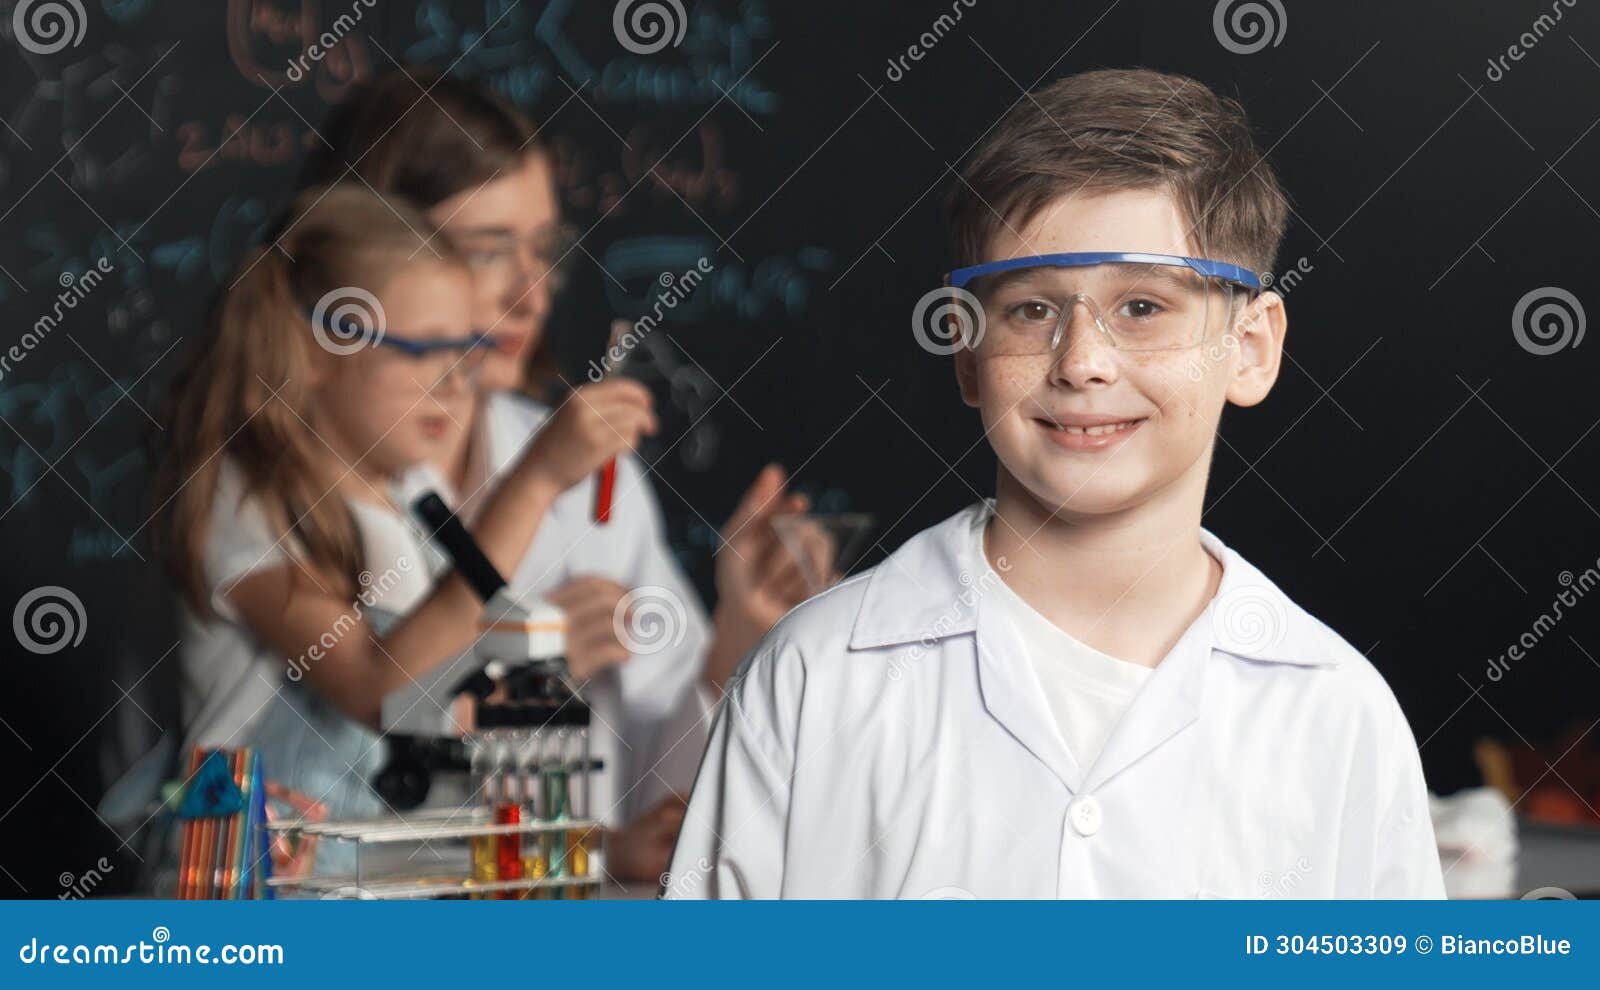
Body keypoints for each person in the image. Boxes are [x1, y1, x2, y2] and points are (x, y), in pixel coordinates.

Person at [663, 69, 1447, 898]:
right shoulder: (812, 680)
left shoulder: (1337, 715)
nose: (1081, 362)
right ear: (967, 354)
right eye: (1032, 310)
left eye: (1143, 307)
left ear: (1250, 348)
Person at [295, 69, 815, 881]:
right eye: (483, 254)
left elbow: (659, 806)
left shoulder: (590, 479)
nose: (529, 295)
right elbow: (324, 808)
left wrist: (738, 640)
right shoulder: (299, 481)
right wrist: (523, 671)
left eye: (541, 252)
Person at [153, 184, 654, 877]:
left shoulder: (415, 498)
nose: (456, 383)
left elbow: (445, 725)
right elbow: (383, 690)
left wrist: (599, 849)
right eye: (423, 350)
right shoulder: (246, 507)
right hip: (250, 898)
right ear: (318, 347)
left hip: (388, 884)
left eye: (465, 350)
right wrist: (534, 482)